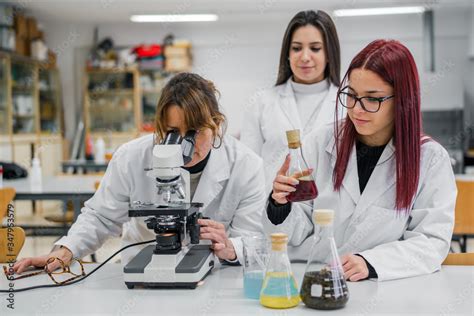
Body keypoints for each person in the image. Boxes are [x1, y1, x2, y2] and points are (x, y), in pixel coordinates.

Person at [14, 73, 267, 273]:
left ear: (217, 124)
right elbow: (101, 217)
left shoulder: (246, 166)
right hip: (143, 271)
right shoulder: (131, 157)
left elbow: (254, 241)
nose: (184, 146)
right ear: (159, 128)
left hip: (214, 276)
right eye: (173, 132)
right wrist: (64, 251)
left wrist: (230, 246)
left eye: (196, 131)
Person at [264, 39, 456, 282]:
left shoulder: (430, 159)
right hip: (317, 280)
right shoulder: (321, 141)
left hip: (386, 290)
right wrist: (279, 205)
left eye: (372, 99)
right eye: (351, 95)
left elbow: (431, 241)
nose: (356, 109)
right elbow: (297, 229)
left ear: (403, 100)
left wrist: (370, 262)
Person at [241, 10, 341, 193]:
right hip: (273, 214)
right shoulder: (262, 103)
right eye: (296, 48)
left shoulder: (346, 103)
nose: (304, 57)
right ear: (287, 53)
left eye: (315, 48)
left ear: (329, 54)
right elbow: (248, 170)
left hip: (330, 211)